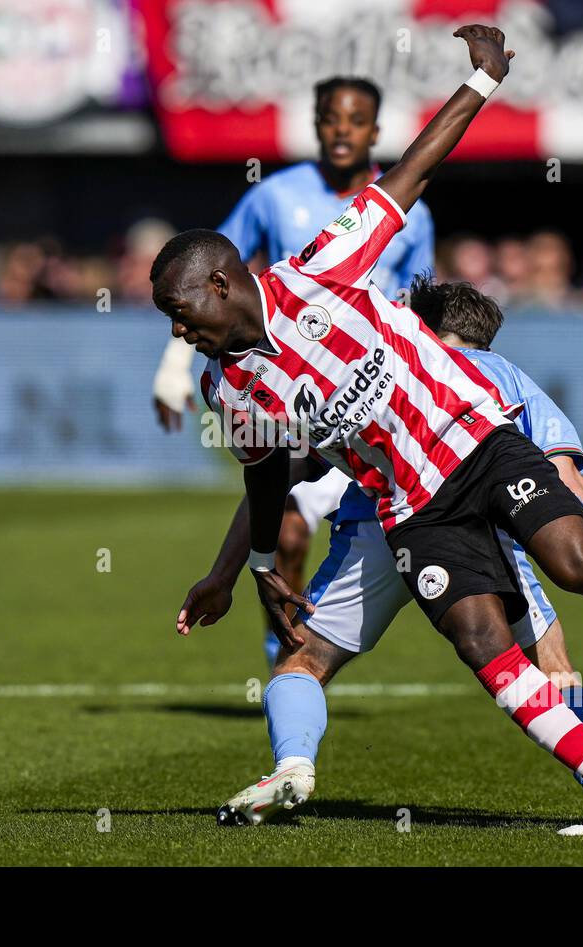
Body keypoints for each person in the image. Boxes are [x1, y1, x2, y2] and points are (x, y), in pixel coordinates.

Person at [153, 24, 583, 836]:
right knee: (483, 645)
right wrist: (256, 565)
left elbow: (410, 175)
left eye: (181, 309)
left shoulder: (320, 268)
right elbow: (265, 477)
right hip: (412, 510)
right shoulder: (228, 385)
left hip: (475, 443)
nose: (179, 327)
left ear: (222, 282)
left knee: (577, 564)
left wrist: (482, 82)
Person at [181, 276, 583, 831]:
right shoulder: (503, 375)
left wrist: (223, 574)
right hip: (473, 524)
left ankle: (293, 764)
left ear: (418, 323)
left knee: (304, 662)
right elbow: (564, 475)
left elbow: (273, 477)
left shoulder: (361, 356)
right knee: (552, 669)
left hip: (379, 528)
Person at [152, 75, 436, 669]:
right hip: (299, 396)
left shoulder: (412, 213)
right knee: (283, 527)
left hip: (383, 389)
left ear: (375, 131)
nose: (341, 130)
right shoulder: (275, 195)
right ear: (315, 123)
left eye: (355, 120)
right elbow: (199, 279)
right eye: (330, 117)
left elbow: (419, 302)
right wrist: (175, 365)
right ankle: (285, 647)